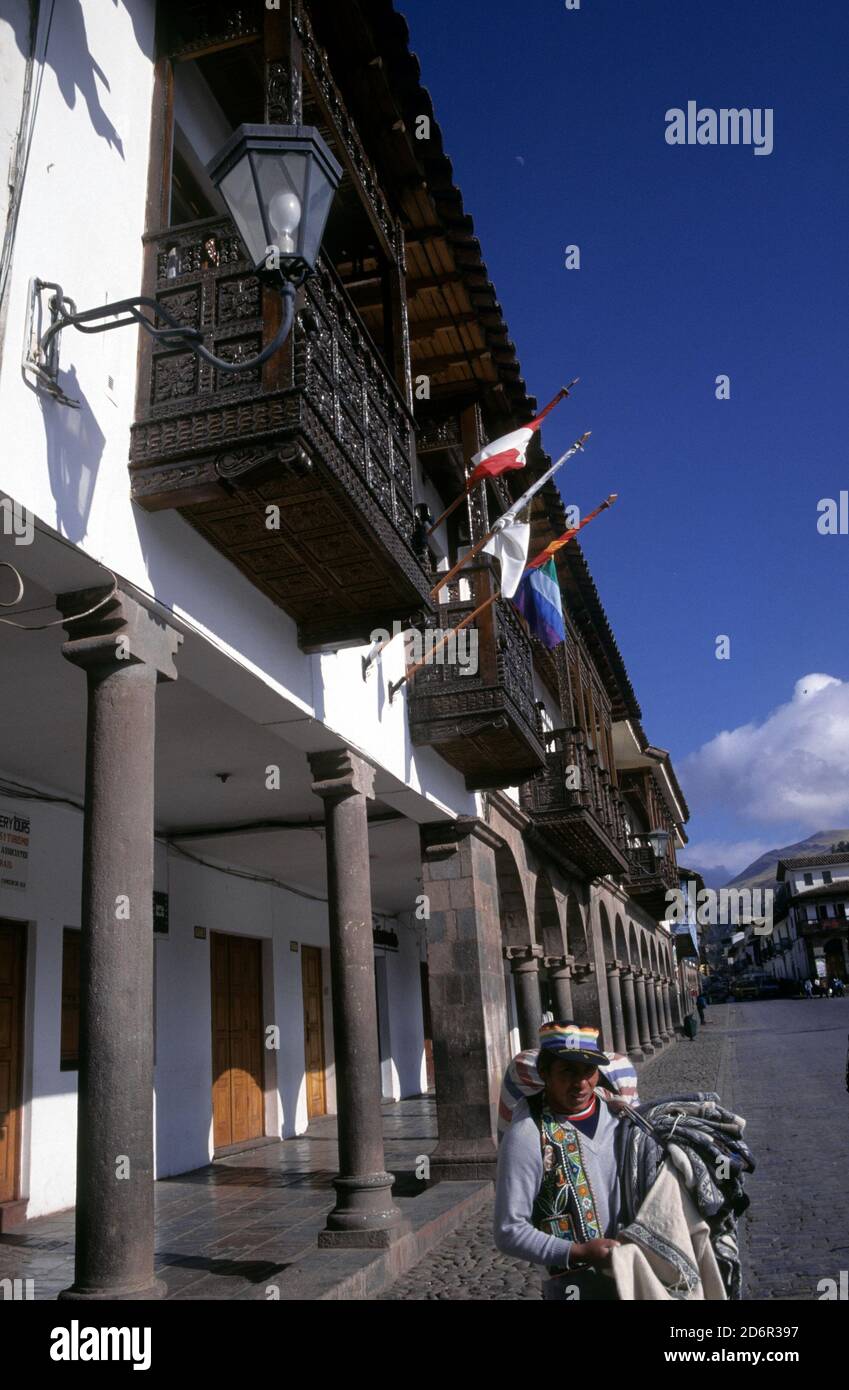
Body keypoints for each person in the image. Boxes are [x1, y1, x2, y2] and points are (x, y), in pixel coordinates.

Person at [494, 1022, 623, 1300]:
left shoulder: (619, 1119)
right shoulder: (527, 1136)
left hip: (632, 1273)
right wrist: (576, 1252)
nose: (581, 1083)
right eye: (567, 1071)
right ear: (544, 1073)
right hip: (573, 1286)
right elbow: (508, 1230)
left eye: (588, 1071)